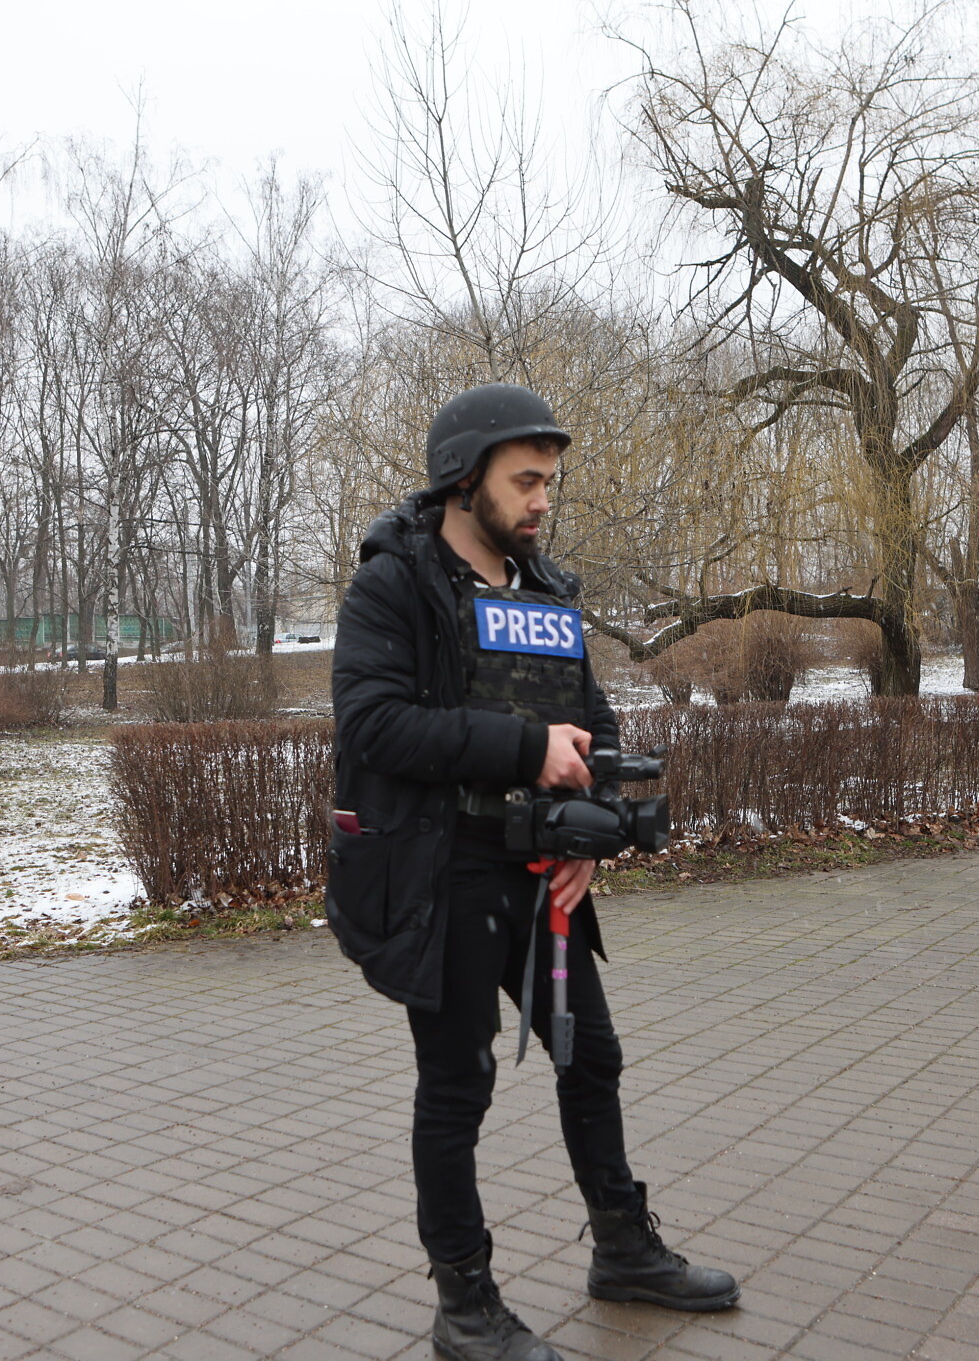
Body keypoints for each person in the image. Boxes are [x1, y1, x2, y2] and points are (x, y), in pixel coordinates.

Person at [326, 384, 739, 1361]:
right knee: (457, 1085)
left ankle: (625, 1251)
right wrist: (522, 750)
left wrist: (584, 844)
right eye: (525, 481)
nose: (542, 499)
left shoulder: (545, 592)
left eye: (548, 481)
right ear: (464, 480)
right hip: (443, 877)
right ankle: (464, 1307)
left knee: (589, 1058)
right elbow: (372, 726)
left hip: (540, 876)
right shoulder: (396, 585)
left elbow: (590, 725)